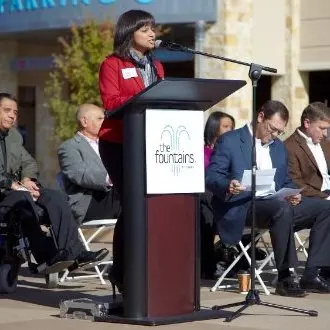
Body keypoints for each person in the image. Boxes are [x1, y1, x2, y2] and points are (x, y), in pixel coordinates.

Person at [206, 100, 330, 296]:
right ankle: (285, 276)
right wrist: (228, 185)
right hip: (242, 205)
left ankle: (312, 272)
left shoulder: (278, 147)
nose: (274, 135)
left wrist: (292, 193)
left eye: (279, 132)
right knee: (281, 210)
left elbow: (287, 181)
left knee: (325, 208)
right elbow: (212, 176)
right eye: (272, 129)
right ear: (261, 117)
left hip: (276, 205)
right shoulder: (230, 140)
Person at [0, 93, 109, 273]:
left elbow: (28, 162)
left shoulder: (14, 137)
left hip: (18, 190)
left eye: (15, 112)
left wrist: (28, 178)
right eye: (7, 110)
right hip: (6, 194)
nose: (12, 115)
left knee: (56, 197)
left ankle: (77, 254)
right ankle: (48, 257)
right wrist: (10, 184)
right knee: (23, 199)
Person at [98, 9, 165, 293]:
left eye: (153, 29)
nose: (152, 34)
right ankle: (123, 272)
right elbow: (112, 102)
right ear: (129, 33)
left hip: (151, 144)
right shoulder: (112, 64)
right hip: (118, 143)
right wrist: (144, 97)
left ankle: (142, 268)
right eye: (145, 29)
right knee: (132, 204)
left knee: (148, 206)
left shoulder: (158, 66)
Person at [58, 104, 120, 224]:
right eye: (99, 119)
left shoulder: (108, 145)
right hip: (88, 202)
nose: (104, 122)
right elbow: (79, 174)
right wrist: (110, 178)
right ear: (84, 122)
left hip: (112, 198)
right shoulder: (69, 147)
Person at [285, 102, 330, 199]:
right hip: (315, 197)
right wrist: (326, 197)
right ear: (307, 123)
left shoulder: (325, 142)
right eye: (322, 128)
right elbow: (296, 183)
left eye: (327, 129)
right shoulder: (289, 146)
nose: (326, 134)